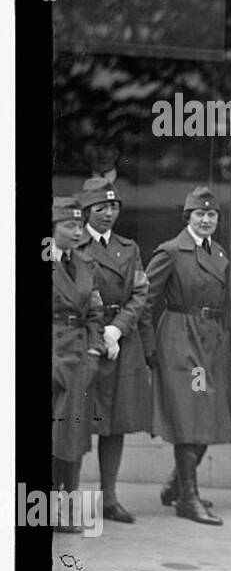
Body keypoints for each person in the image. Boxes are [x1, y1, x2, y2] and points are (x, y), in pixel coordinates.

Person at [145, 186, 231, 526]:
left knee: (212, 411)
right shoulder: (171, 251)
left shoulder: (218, 253)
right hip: (181, 339)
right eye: (199, 214)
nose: (206, 220)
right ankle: (188, 496)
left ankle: (177, 484)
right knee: (192, 415)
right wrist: (149, 345)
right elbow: (145, 297)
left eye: (211, 214)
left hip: (211, 340)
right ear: (188, 217)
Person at [77, 177, 154, 524]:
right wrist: (98, 332)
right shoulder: (74, 245)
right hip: (84, 340)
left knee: (116, 424)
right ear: (86, 211)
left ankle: (109, 498)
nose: (108, 213)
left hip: (121, 341)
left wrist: (117, 328)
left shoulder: (129, 247)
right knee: (76, 422)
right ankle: (66, 497)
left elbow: (140, 293)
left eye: (113, 207)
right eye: (100, 208)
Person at [51, 196, 107, 533]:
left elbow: (96, 313)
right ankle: (39, 510)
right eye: (68, 225)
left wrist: (95, 350)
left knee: (73, 437)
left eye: (77, 225)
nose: (75, 231)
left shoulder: (86, 264)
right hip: (53, 358)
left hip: (80, 361)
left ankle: (66, 509)